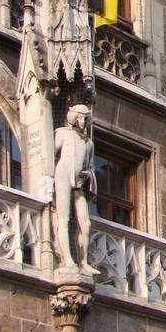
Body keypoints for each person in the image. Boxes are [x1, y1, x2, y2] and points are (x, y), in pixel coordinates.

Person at [54, 104, 95, 272]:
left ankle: (84, 262)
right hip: (63, 176)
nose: (82, 121)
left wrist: (88, 175)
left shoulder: (89, 143)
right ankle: (68, 259)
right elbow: (51, 154)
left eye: (85, 118)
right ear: (73, 117)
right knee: (64, 219)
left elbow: (91, 166)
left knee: (86, 223)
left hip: (79, 184)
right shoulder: (62, 133)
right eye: (79, 117)